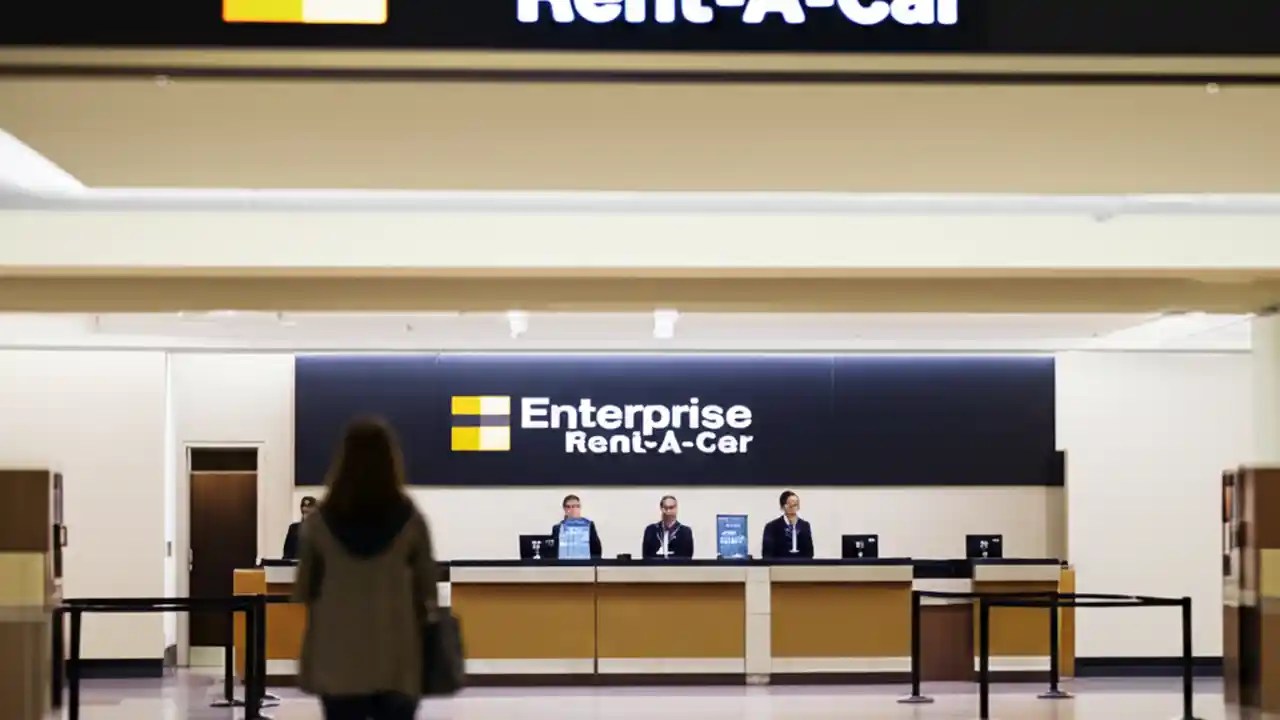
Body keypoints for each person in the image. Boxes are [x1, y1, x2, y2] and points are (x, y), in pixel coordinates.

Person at [293, 418, 438, 720]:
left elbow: (304, 589)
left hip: (337, 657)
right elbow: (428, 589)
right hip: (398, 657)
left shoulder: (318, 524)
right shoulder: (411, 520)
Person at [761, 490, 814, 559]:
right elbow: (767, 553)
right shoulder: (771, 526)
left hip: (800, 566)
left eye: (796, 504)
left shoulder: (804, 526)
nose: (793, 506)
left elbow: (809, 553)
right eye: (790, 504)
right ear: (782, 506)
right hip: (779, 566)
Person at [549, 494, 602, 558]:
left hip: (585, 565)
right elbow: (553, 552)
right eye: (569, 507)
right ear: (564, 509)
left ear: (580, 508)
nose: (573, 509)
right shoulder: (557, 528)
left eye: (576, 506)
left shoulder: (589, 526)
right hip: (563, 566)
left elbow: (597, 551)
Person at [642, 495, 693, 559]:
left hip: (677, 568)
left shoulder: (685, 532)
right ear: (661, 508)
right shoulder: (651, 530)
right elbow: (646, 557)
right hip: (656, 567)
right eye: (665, 508)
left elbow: (687, 557)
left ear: (676, 508)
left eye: (671, 507)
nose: (668, 511)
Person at [282, 495, 317, 560]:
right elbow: (287, 554)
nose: (306, 516)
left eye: (309, 513)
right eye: (304, 512)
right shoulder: (294, 529)